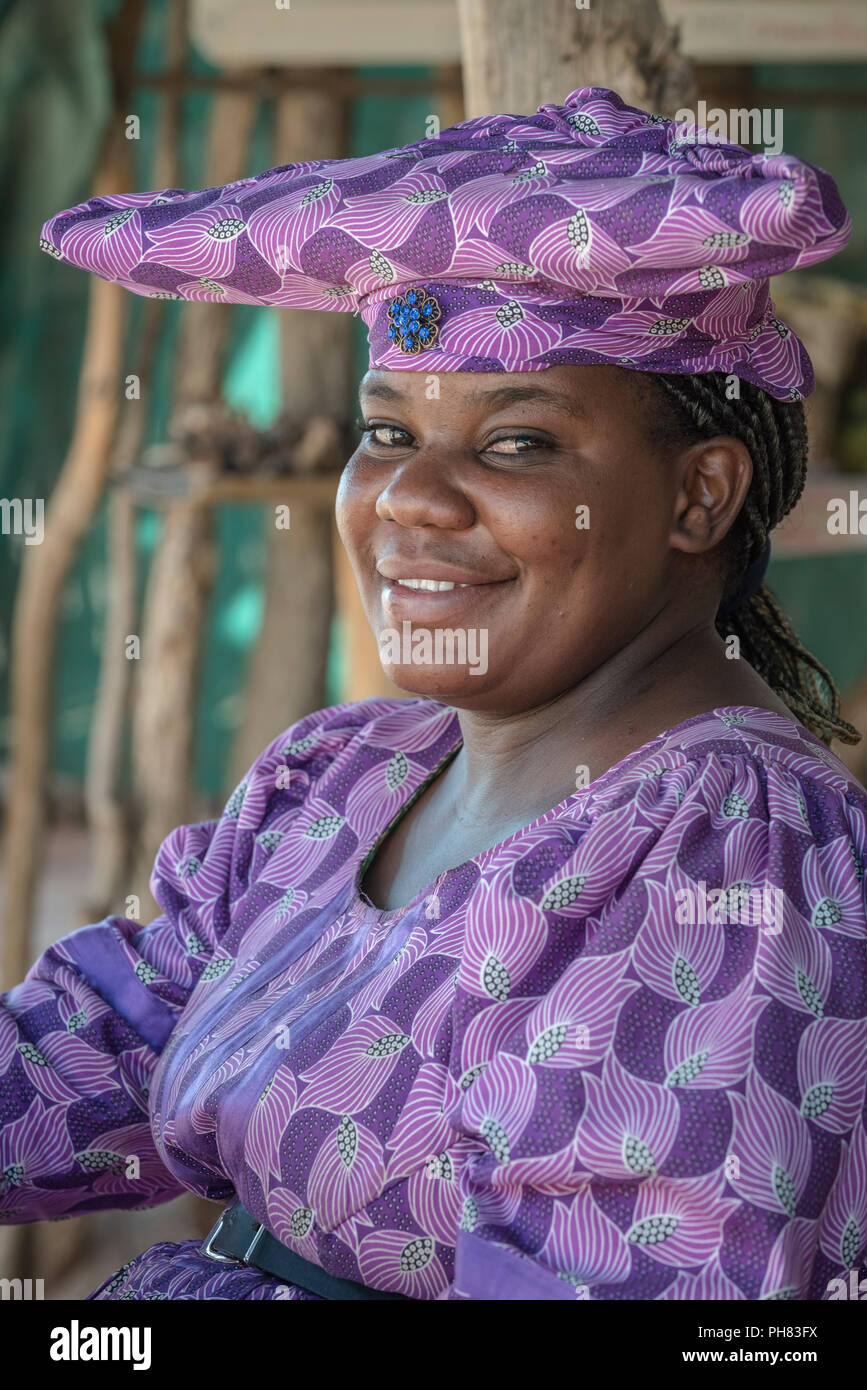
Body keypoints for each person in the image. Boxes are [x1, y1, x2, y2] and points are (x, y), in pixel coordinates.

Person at [6, 86, 865, 1300]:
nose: (411, 499)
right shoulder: (351, 776)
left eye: (514, 442)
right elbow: (104, 1036)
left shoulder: (720, 864)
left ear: (699, 497)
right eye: (390, 432)